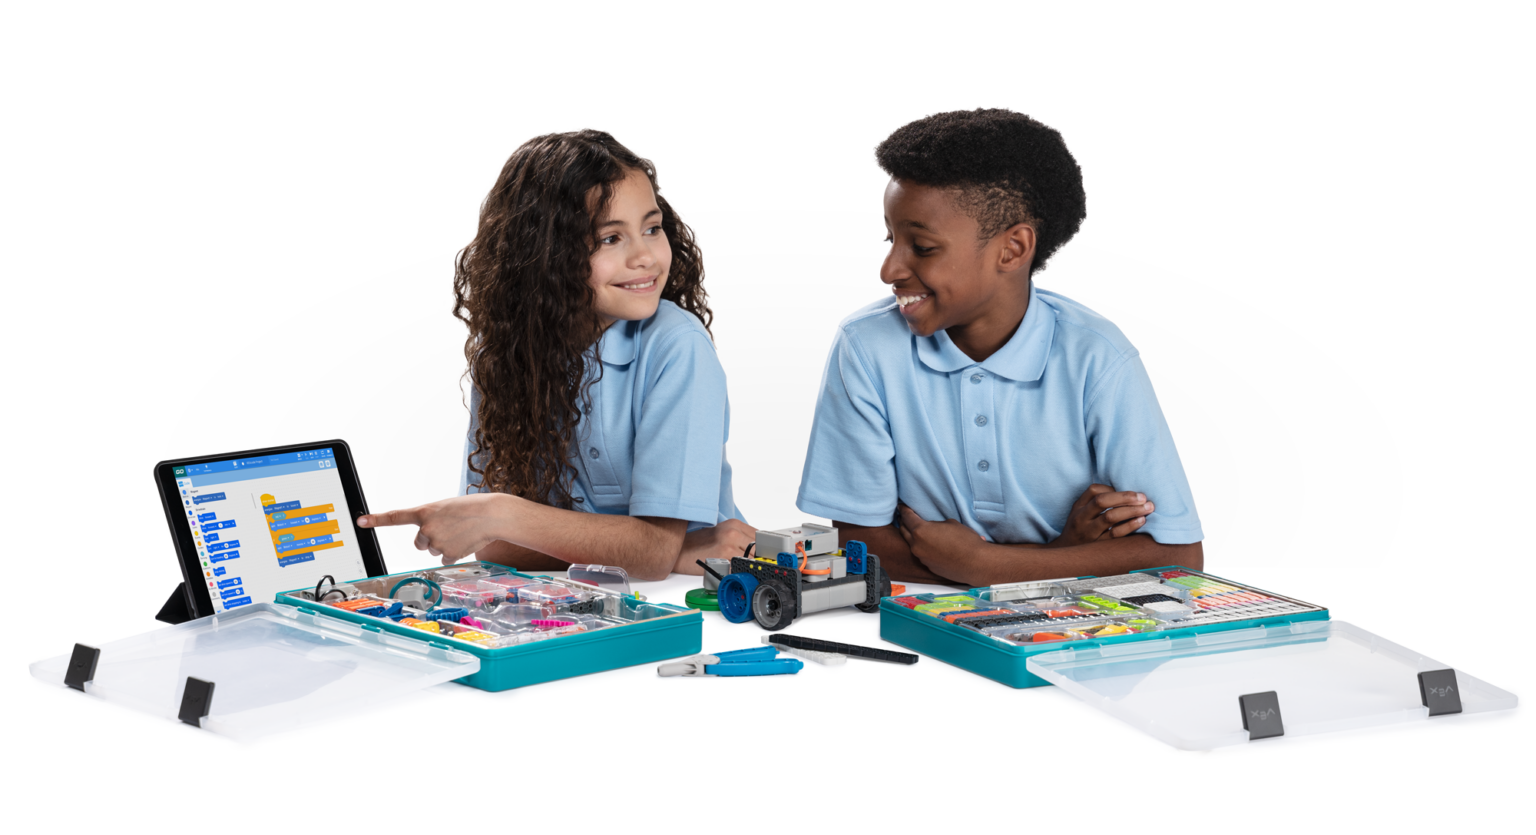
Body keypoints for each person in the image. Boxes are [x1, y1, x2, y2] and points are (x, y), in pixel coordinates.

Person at [796, 109, 1203, 586]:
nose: (889, 269)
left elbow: (1178, 555)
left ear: (1012, 249)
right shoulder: (867, 347)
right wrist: (1057, 555)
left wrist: (984, 565)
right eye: (891, 239)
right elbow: (860, 543)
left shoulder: (1096, 358)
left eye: (922, 247)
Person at [360, 130, 754, 581]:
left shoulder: (676, 345)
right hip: (583, 595)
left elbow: (651, 552)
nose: (645, 256)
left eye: (652, 228)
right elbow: (493, 547)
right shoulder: (506, 351)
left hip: (692, 592)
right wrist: (662, 551)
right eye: (610, 238)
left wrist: (504, 515)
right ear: (546, 254)